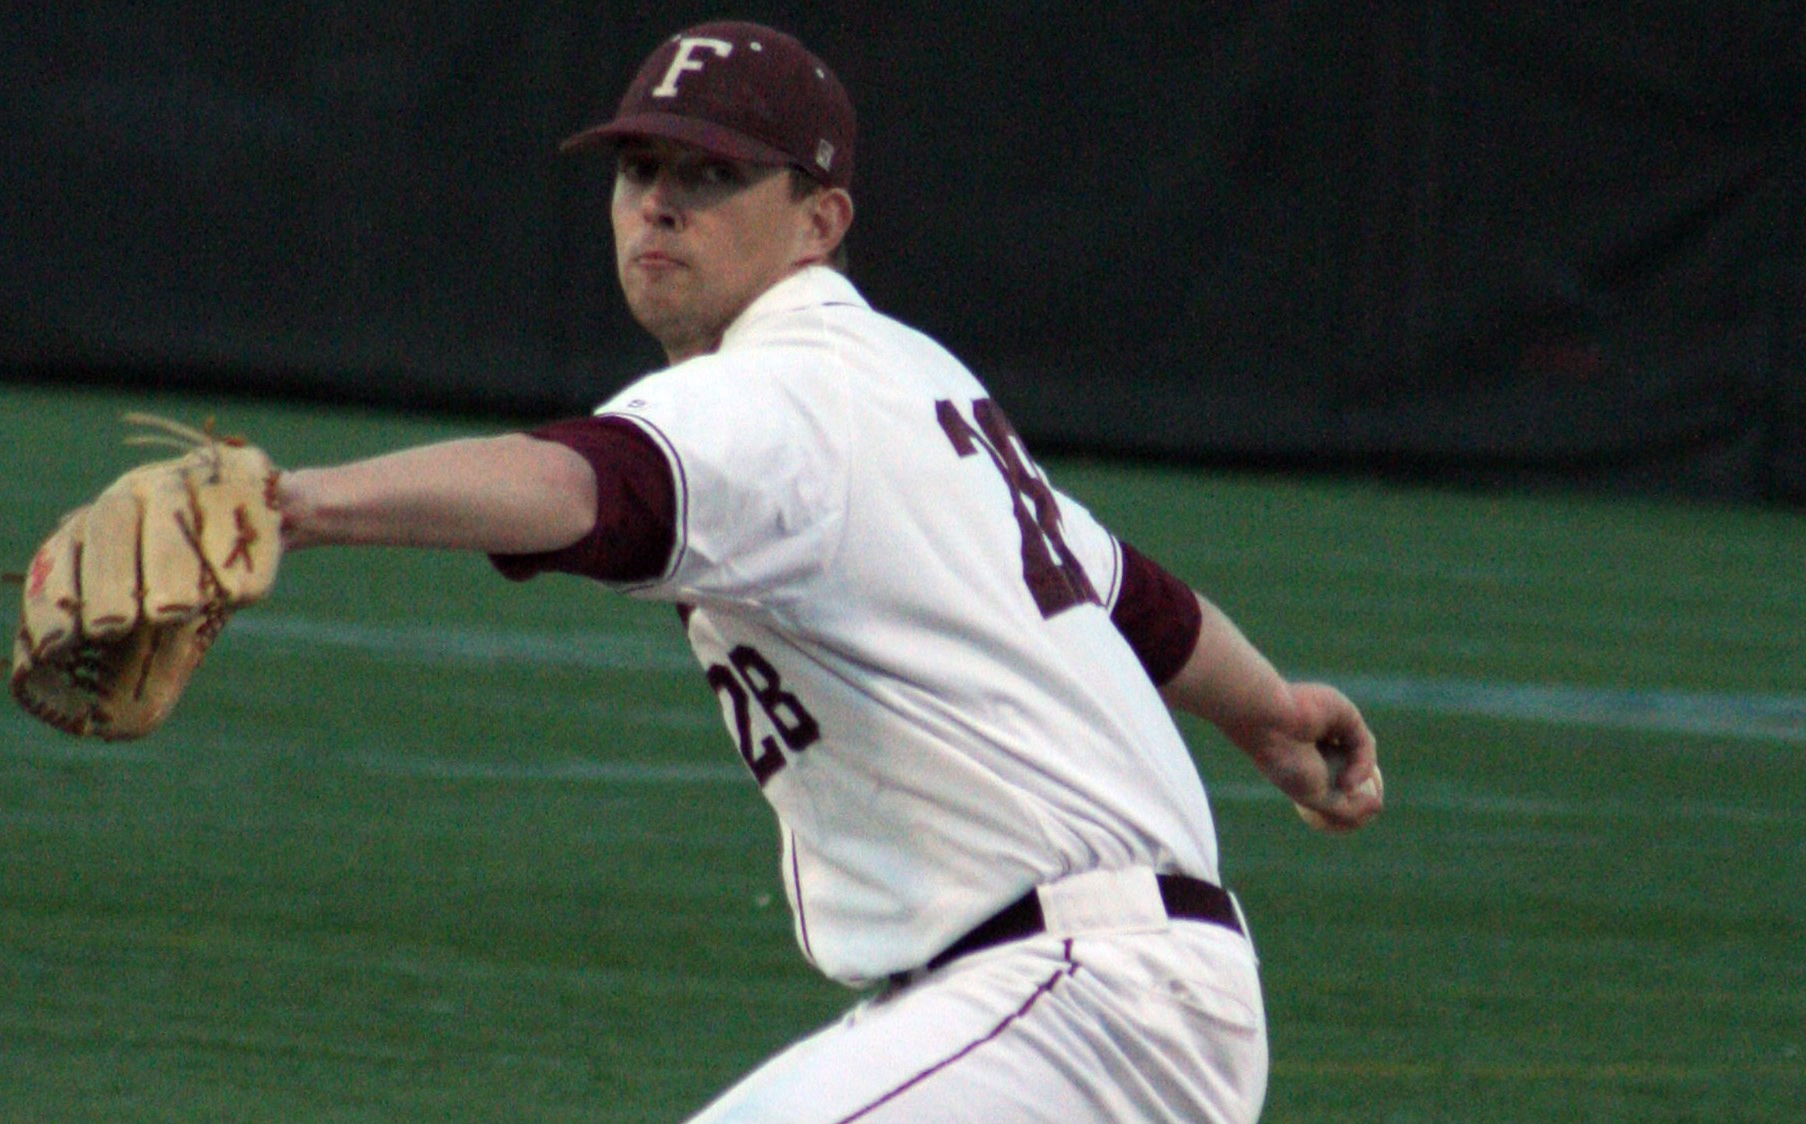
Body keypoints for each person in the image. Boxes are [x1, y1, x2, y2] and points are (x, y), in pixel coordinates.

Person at [274, 20, 1383, 1123]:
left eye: (714, 174)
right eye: (638, 168)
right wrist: (1269, 714)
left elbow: (574, 488)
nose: (658, 201)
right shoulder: (906, 375)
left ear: (818, 220)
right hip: (1058, 996)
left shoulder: (784, 391)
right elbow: (1122, 591)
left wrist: (295, 508)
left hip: (1079, 1003)